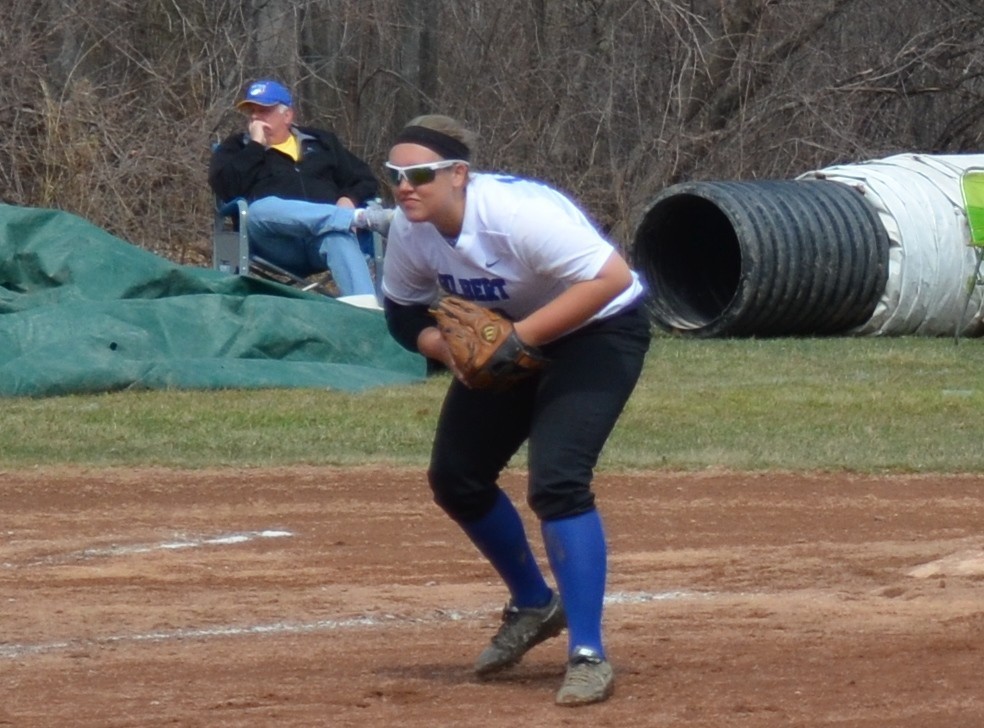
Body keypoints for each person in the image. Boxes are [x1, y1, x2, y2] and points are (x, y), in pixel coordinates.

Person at [380, 115, 651, 706]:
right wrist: (448, 349)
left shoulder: (517, 216)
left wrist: (516, 340)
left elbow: (613, 277)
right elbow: (402, 315)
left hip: (599, 332)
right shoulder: (411, 230)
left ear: (458, 175)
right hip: (511, 341)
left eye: (420, 174)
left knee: (557, 481)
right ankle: (534, 603)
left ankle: (587, 654)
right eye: (395, 175)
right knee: (457, 478)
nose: (405, 187)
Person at [208, 79, 392, 297]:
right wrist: (256, 146)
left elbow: (364, 178)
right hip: (273, 243)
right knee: (260, 208)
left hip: (320, 240)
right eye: (252, 112)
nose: (256, 117)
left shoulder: (321, 142)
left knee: (338, 235)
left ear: (287, 116)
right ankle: (358, 218)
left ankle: (366, 317)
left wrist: (349, 198)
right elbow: (225, 188)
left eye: (264, 111)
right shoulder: (238, 147)